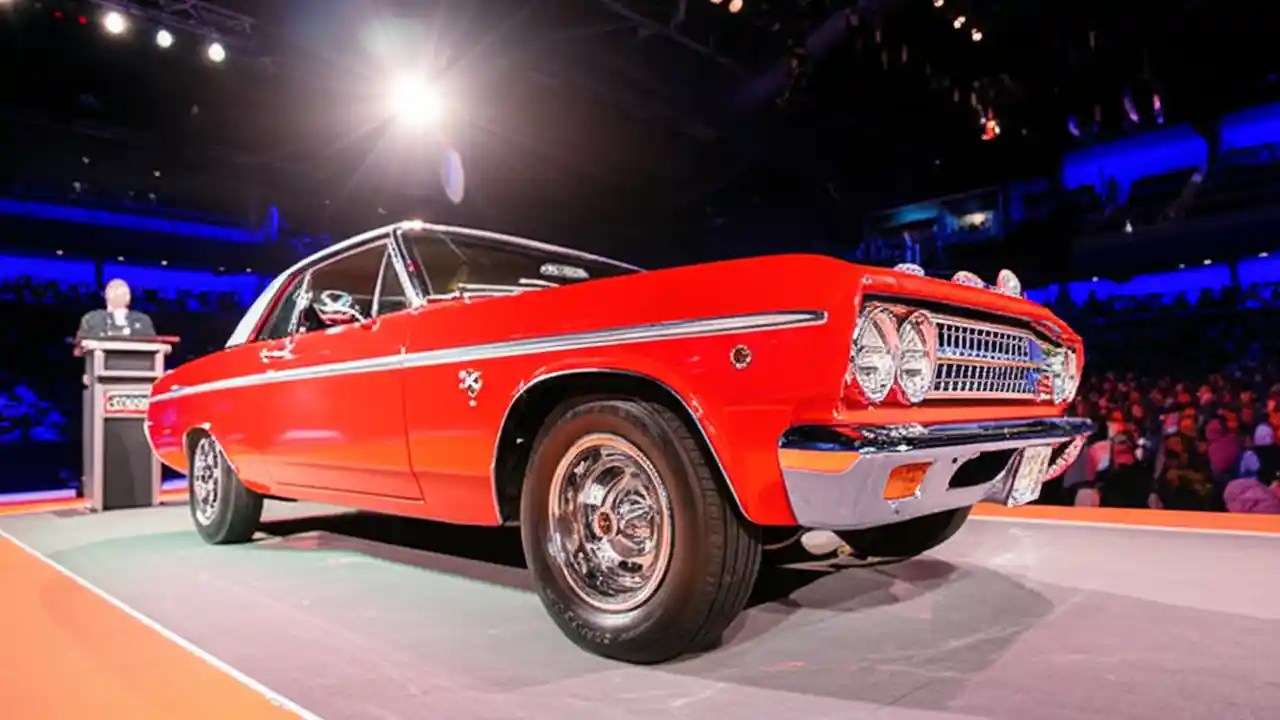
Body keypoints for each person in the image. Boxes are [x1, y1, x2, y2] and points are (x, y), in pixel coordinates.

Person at [75, 279, 155, 339]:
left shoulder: (143, 320)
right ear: (106, 296)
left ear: (129, 297)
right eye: (113, 291)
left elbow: (154, 346)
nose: (117, 293)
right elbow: (79, 350)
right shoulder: (91, 319)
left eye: (121, 292)